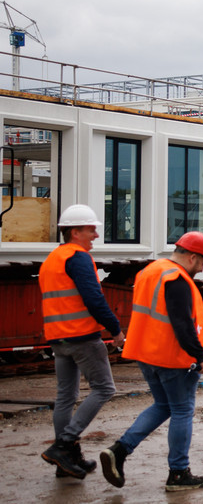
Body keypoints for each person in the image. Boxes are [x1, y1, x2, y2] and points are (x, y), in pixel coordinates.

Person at [98, 231, 203, 492]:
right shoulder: (177, 279)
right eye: (202, 262)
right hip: (173, 358)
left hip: (147, 354)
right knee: (182, 410)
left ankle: (119, 451)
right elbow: (182, 324)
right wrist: (201, 358)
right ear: (192, 257)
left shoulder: (150, 272)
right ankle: (178, 473)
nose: (202, 268)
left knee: (163, 405)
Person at [39, 204, 125, 480]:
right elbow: (94, 298)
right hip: (82, 337)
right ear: (75, 232)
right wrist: (115, 329)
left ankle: (67, 460)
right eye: (91, 230)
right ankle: (64, 445)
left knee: (65, 396)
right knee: (104, 388)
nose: (95, 235)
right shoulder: (78, 258)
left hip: (58, 337)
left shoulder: (53, 259)